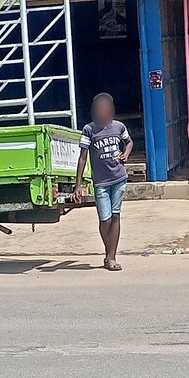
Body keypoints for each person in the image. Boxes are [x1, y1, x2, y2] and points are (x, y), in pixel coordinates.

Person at [74, 93, 133, 271]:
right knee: (104, 220)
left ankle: (111, 257)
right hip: (100, 182)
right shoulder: (89, 130)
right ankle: (109, 252)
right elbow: (83, 158)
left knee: (115, 216)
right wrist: (78, 185)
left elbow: (129, 142)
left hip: (119, 178)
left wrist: (126, 154)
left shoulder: (119, 127)